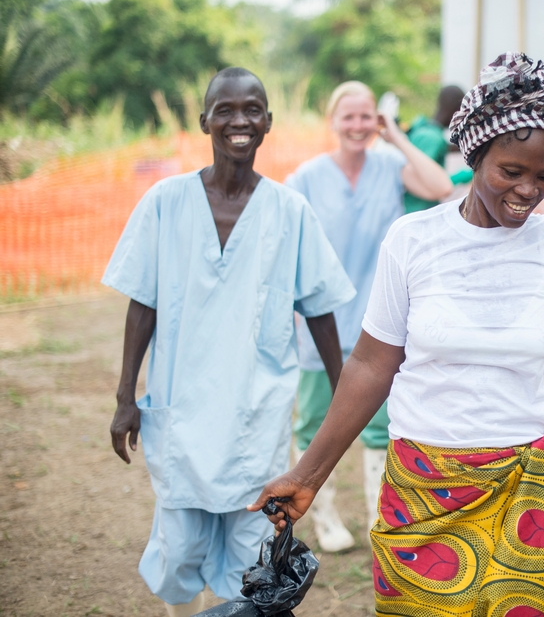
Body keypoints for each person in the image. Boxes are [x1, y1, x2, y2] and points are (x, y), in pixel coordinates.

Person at [249, 52, 544, 614]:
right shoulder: (414, 239)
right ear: (475, 155)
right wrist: (308, 474)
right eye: (510, 172)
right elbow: (371, 364)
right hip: (424, 486)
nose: (527, 191)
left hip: (526, 485)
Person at [104, 68, 356, 617]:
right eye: (225, 109)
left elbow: (319, 308)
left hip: (253, 416)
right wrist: (126, 397)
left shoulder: (289, 212)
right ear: (204, 121)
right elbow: (142, 302)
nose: (238, 120)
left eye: (251, 109)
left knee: (249, 557)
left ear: (267, 122)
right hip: (182, 412)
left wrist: (343, 398)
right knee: (178, 555)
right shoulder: (165, 202)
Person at [284, 80, 454, 552]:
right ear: (333, 121)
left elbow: (441, 186)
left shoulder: (390, 165)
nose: (358, 126)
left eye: (366, 117)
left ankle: (382, 518)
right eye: (349, 117)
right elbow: (285, 246)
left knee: (381, 425)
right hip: (320, 322)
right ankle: (325, 517)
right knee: (317, 422)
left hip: (379, 325)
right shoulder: (306, 177)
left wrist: (395, 135)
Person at [403, 84, 472, 213]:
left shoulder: (424, 130)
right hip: (418, 209)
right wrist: (469, 174)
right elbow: (425, 178)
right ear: (456, 111)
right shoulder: (432, 138)